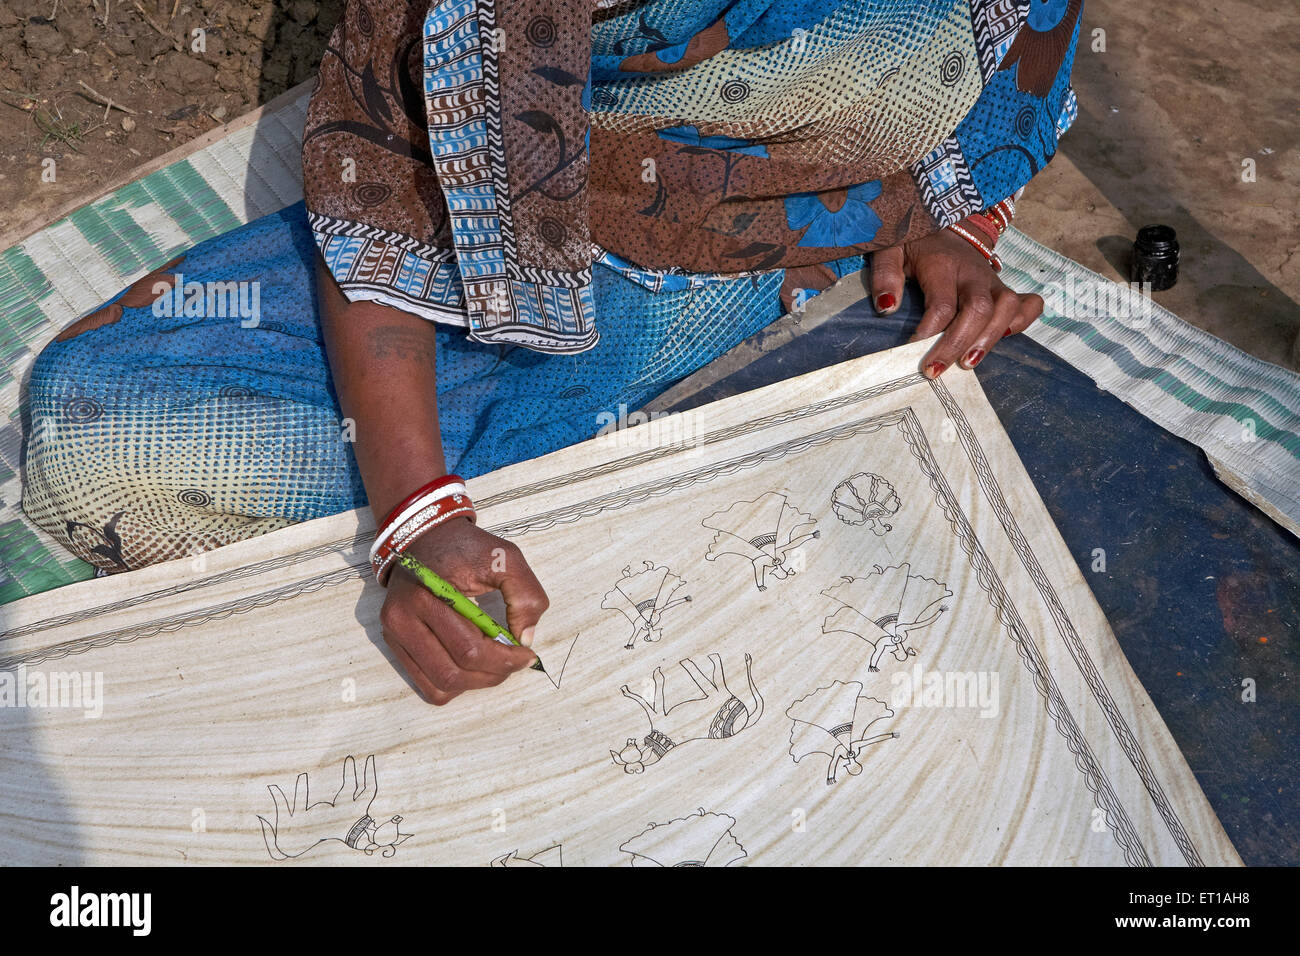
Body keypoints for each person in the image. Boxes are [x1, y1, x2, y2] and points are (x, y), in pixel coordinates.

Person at [23, 0, 1082, 704]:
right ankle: (533, 475)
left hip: (804, 264)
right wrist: (420, 517)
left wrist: (957, 216)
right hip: (505, 217)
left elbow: (1014, 42)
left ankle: (572, 468)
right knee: (94, 436)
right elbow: (384, 207)